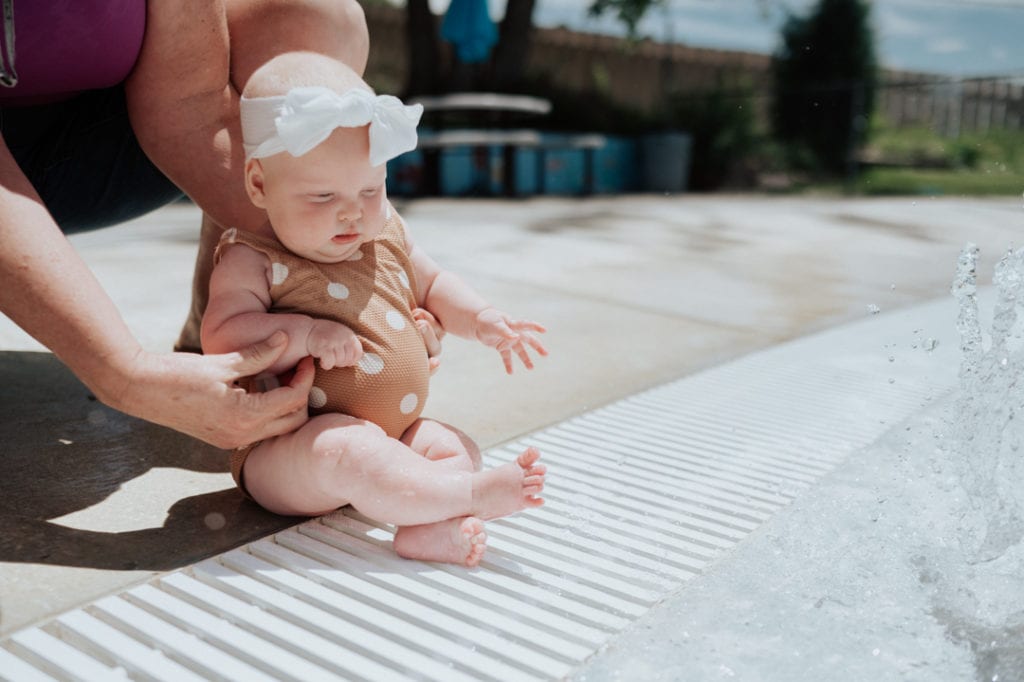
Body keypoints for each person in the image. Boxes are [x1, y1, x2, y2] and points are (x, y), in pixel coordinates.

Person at [0, 0, 399, 450]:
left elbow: (190, 105)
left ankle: (222, 329)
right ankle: (233, 331)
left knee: (317, 17)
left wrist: (377, 274)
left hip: (99, 139)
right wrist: (126, 373)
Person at [201, 52, 549, 567]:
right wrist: (304, 333)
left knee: (452, 445)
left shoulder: (384, 232)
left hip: (396, 432)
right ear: (259, 183)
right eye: (322, 195)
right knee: (349, 449)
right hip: (290, 450)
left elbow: (434, 282)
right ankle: (469, 496)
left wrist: (480, 319)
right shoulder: (253, 260)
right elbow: (224, 337)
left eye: (370, 189)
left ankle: (428, 529)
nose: (353, 211)